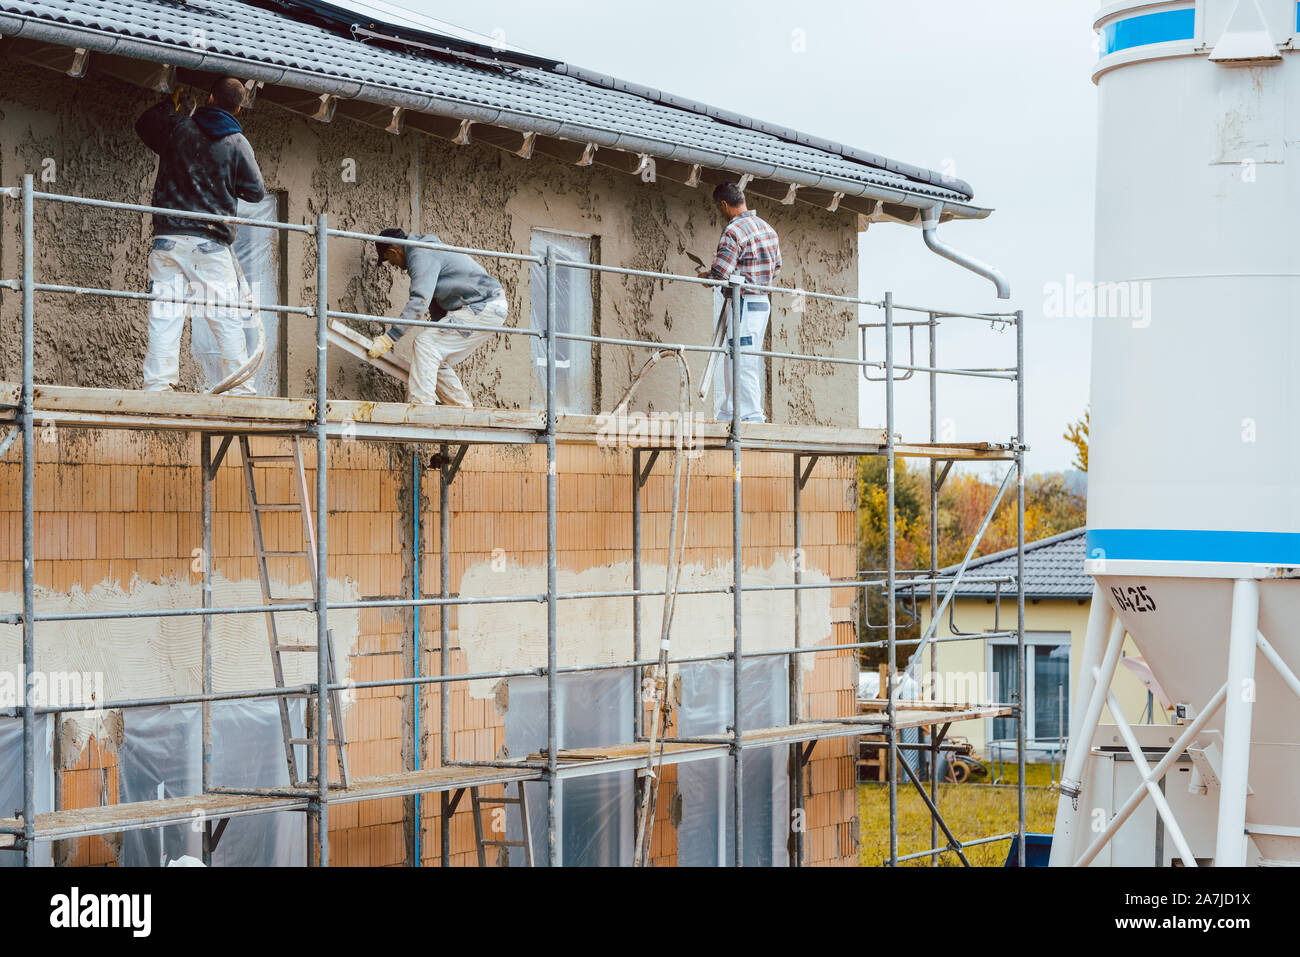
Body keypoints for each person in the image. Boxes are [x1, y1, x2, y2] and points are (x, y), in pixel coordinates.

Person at [135, 76, 266, 395]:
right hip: (210, 244)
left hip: (168, 240)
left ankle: (157, 386)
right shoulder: (236, 142)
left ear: (208, 98)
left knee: (166, 314)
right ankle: (240, 389)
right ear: (238, 107)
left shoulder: (178, 128)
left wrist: (171, 104)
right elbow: (256, 192)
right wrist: (224, 178)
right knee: (224, 317)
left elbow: (145, 124)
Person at [367, 228, 507, 408]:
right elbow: (435, 302)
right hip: (487, 307)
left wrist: (390, 338)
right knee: (435, 356)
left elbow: (420, 300)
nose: (393, 265)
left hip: (484, 306)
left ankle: (421, 407)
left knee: (425, 344)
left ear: (392, 251)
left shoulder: (420, 254)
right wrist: (438, 327)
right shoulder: (424, 252)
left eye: (390, 261)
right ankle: (461, 409)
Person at [698, 182, 782, 423]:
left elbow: (720, 274)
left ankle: (750, 416)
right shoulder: (767, 229)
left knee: (741, 358)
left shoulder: (734, 231)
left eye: (718, 207)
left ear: (724, 204)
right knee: (742, 355)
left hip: (743, 302)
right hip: (761, 302)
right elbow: (777, 267)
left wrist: (706, 277)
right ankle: (731, 411)